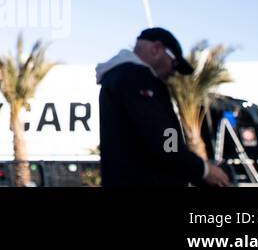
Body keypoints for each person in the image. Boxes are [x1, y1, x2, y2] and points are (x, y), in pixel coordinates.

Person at [95, 27, 231, 188]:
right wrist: (203, 170)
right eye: (174, 63)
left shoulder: (117, 78)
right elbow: (165, 138)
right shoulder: (138, 78)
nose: (174, 72)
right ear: (156, 49)